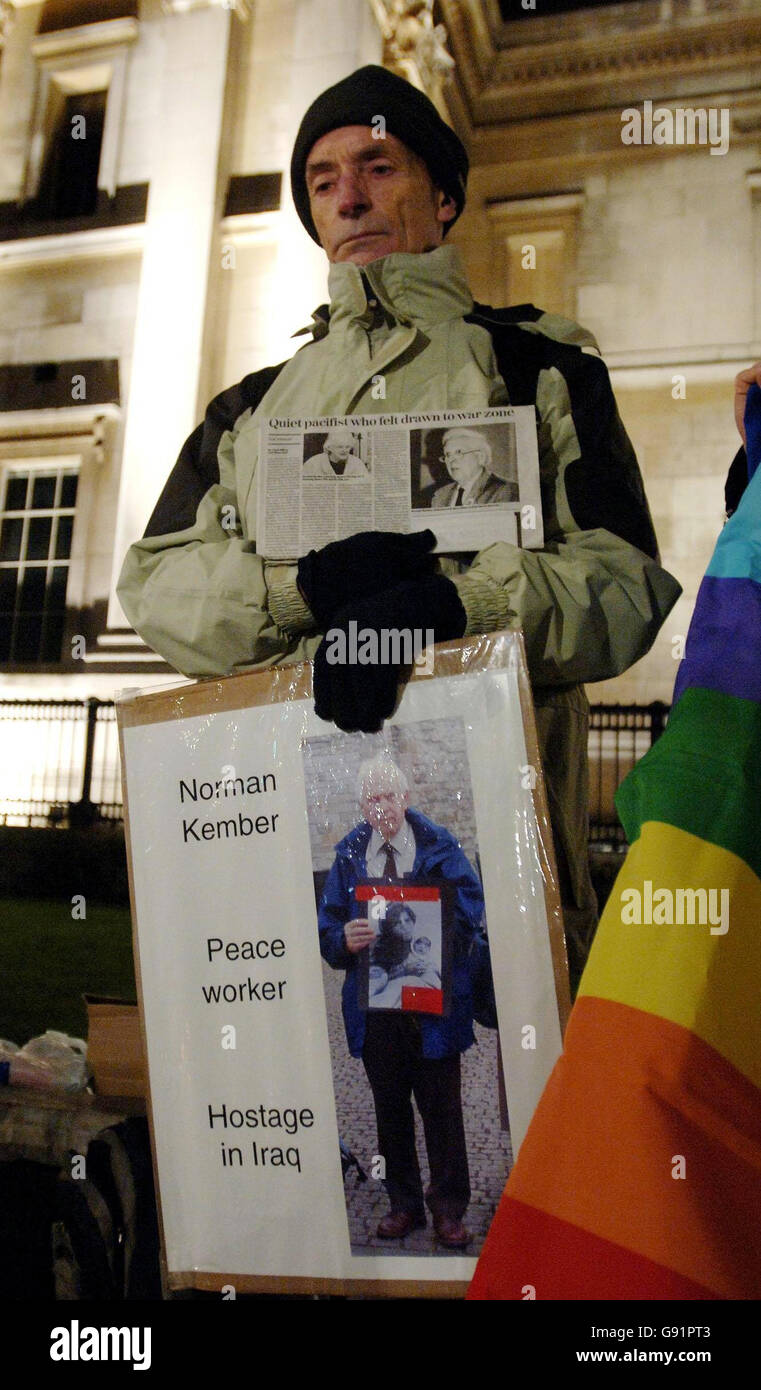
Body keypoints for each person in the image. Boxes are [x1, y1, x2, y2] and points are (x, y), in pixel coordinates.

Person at [117, 63, 683, 988]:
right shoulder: (248, 409)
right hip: (293, 813)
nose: (347, 198)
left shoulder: (539, 364)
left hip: (494, 817)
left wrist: (450, 609)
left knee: (503, 1093)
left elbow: (621, 583)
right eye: (322, 179)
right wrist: (297, 593)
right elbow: (156, 585)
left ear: (445, 196)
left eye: (378, 167)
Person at [318, 753, 486, 1248]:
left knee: (443, 1114)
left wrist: (436, 925)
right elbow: (328, 925)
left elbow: (472, 910)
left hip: (432, 1010)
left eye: (389, 795)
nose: (382, 806)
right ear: (363, 804)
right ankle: (403, 1205)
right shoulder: (349, 854)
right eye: (372, 797)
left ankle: (449, 1211)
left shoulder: (438, 845)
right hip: (376, 1012)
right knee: (389, 1113)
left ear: (406, 797)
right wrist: (341, 938)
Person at [431, 427, 517, 508]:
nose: (451, 460)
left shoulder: (505, 490)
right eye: (448, 455)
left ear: (480, 457)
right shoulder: (440, 496)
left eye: (459, 452)